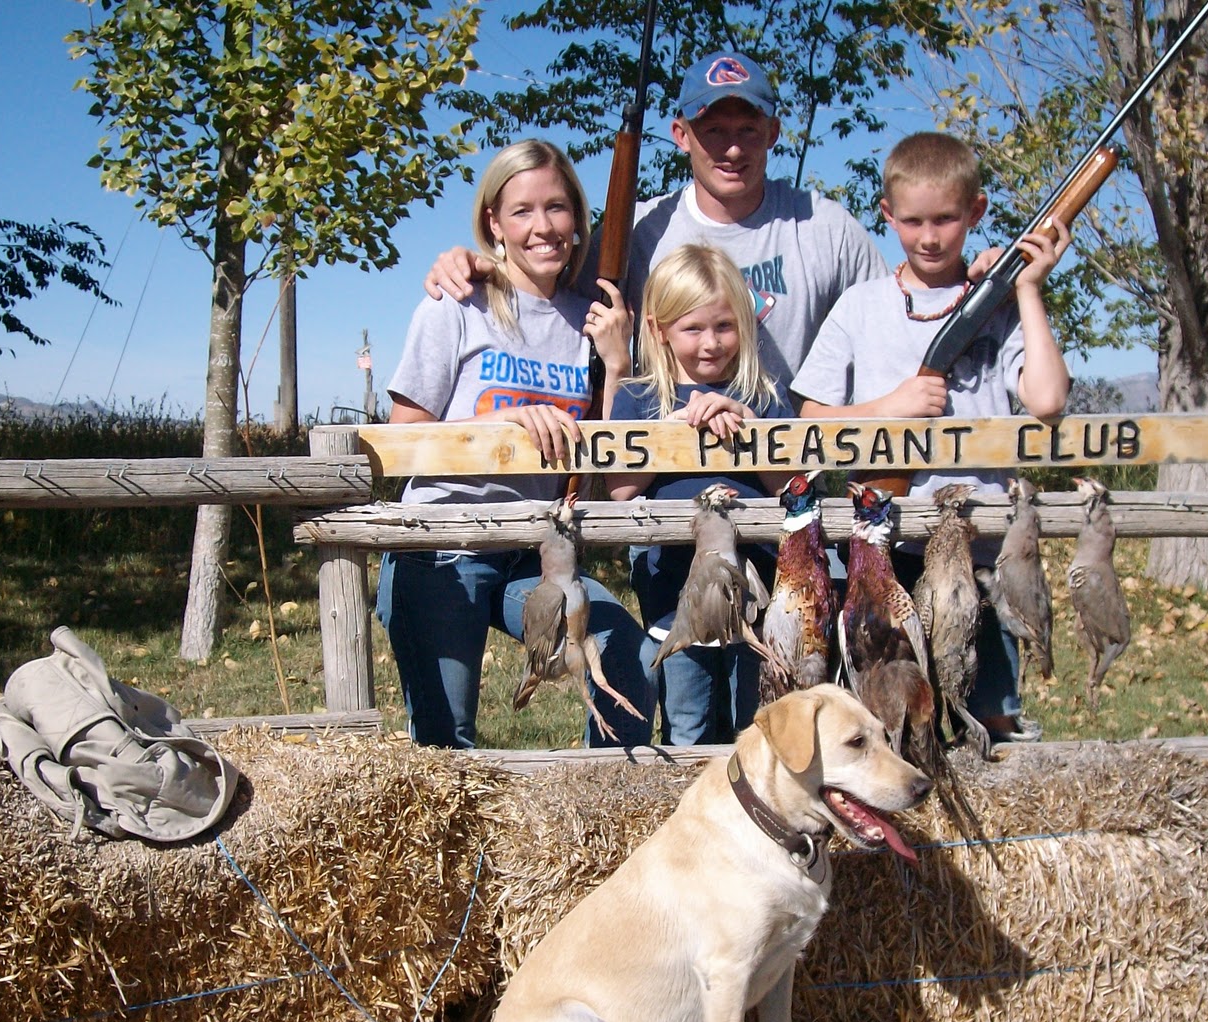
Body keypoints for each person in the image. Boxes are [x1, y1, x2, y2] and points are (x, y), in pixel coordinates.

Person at [790, 131, 1072, 744]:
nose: (930, 236)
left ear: (976, 212)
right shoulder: (860, 307)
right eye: (912, 220)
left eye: (946, 218)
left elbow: (1048, 400)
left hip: (981, 550)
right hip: (882, 550)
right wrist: (893, 407)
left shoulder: (996, 306)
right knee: (888, 718)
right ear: (886, 215)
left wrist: (1026, 287)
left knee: (992, 714)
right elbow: (811, 418)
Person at [374, 139, 654, 750]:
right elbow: (401, 438)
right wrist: (507, 430)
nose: (543, 226)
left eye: (557, 208)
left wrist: (617, 361)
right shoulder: (456, 305)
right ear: (493, 223)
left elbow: (613, 467)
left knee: (625, 657)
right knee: (446, 742)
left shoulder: (592, 320)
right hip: (444, 544)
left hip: (536, 552)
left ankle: (603, 817)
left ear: (579, 219)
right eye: (522, 211)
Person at [427, 50, 889, 405]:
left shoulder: (827, 228)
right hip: (660, 488)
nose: (731, 149)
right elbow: (544, 292)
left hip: (779, 481)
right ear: (680, 134)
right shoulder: (635, 229)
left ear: (772, 133)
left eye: (747, 130)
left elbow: (894, 319)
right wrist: (480, 265)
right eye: (713, 131)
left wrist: (955, 278)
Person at [606, 244, 791, 743]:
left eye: (725, 326)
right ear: (659, 329)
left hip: (758, 590)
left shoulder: (766, 396)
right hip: (672, 590)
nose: (711, 343)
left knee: (751, 718)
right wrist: (668, 438)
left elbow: (793, 488)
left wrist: (751, 431)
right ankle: (690, 799)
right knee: (688, 717)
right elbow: (620, 491)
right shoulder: (639, 397)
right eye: (693, 329)